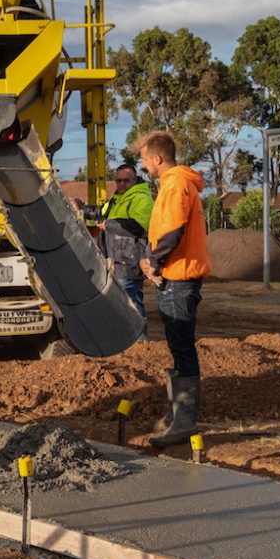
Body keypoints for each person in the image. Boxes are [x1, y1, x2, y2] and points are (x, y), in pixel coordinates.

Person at [136, 131, 211, 449]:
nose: (143, 165)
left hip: (179, 278)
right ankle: (177, 415)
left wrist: (153, 261)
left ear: (157, 158)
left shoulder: (177, 183)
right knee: (177, 345)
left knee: (182, 346)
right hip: (175, 275)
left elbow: (173, 230)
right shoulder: (173, 183)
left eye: (143, 159)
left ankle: (184, 421)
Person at [99, 163, 154, 338]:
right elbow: (102, 214)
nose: (121, 184)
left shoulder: (142, 199)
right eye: (118, 180)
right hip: (115, 261)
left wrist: (109, 225)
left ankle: (140, 343)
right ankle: (128, 343)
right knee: (121, 306)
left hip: (130, 261)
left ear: (135, 179)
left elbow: (138, 226)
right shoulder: (117, 199)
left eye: (126, 180)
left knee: (130, 306)